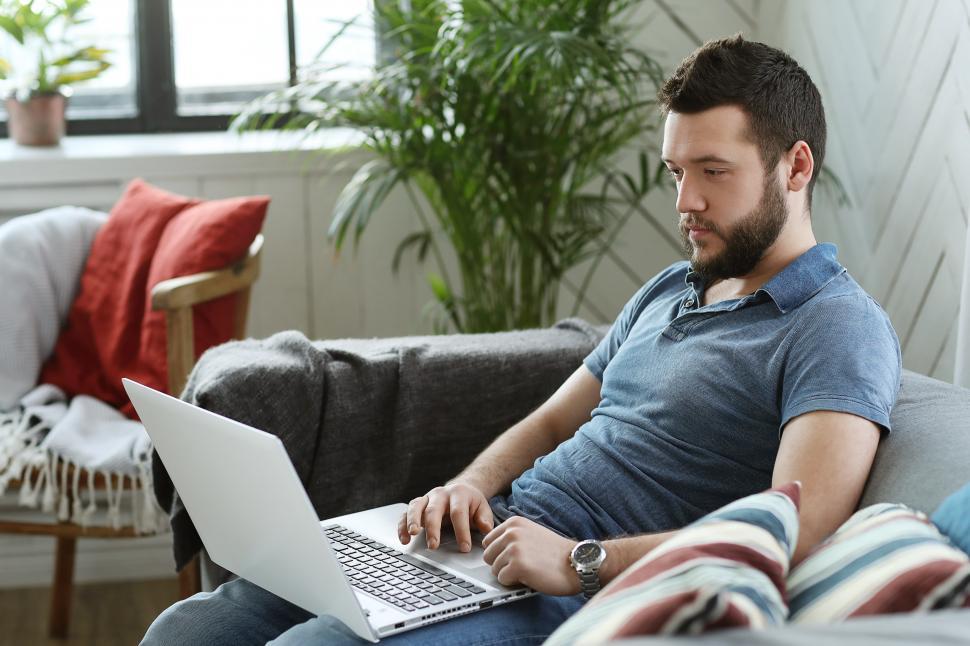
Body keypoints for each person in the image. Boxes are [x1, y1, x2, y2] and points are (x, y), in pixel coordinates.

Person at [142, 34, 901, 645]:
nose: (686, 201)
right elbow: (551, 421)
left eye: (713, 171)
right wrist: (469, 487)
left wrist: (579, 562)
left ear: (795, 167)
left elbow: (793, 535)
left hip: (582, 593)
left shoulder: (836, 326)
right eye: (676, 171)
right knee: (193, 629)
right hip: (492, 546)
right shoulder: (673, 286)